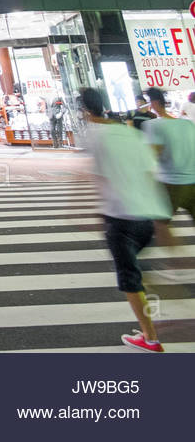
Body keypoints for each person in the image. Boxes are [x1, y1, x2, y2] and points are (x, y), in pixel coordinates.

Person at [78, 87, 172, 352]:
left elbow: (98, 178)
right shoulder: (131, 133)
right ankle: (153, 314)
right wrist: (163, 219)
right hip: (146, 217)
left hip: (120, 217)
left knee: (130, 279)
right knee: (138, 272)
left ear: (85, 111)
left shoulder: (95, 136)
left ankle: (151, 337)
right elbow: (151, 173)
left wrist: (83, 210)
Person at [143, 86, 195, 229]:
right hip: (193, 181)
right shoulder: (187, 124)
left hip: (172, 184)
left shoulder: (153, 125)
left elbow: (152, 155)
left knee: (160, 227)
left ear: (153, 103)